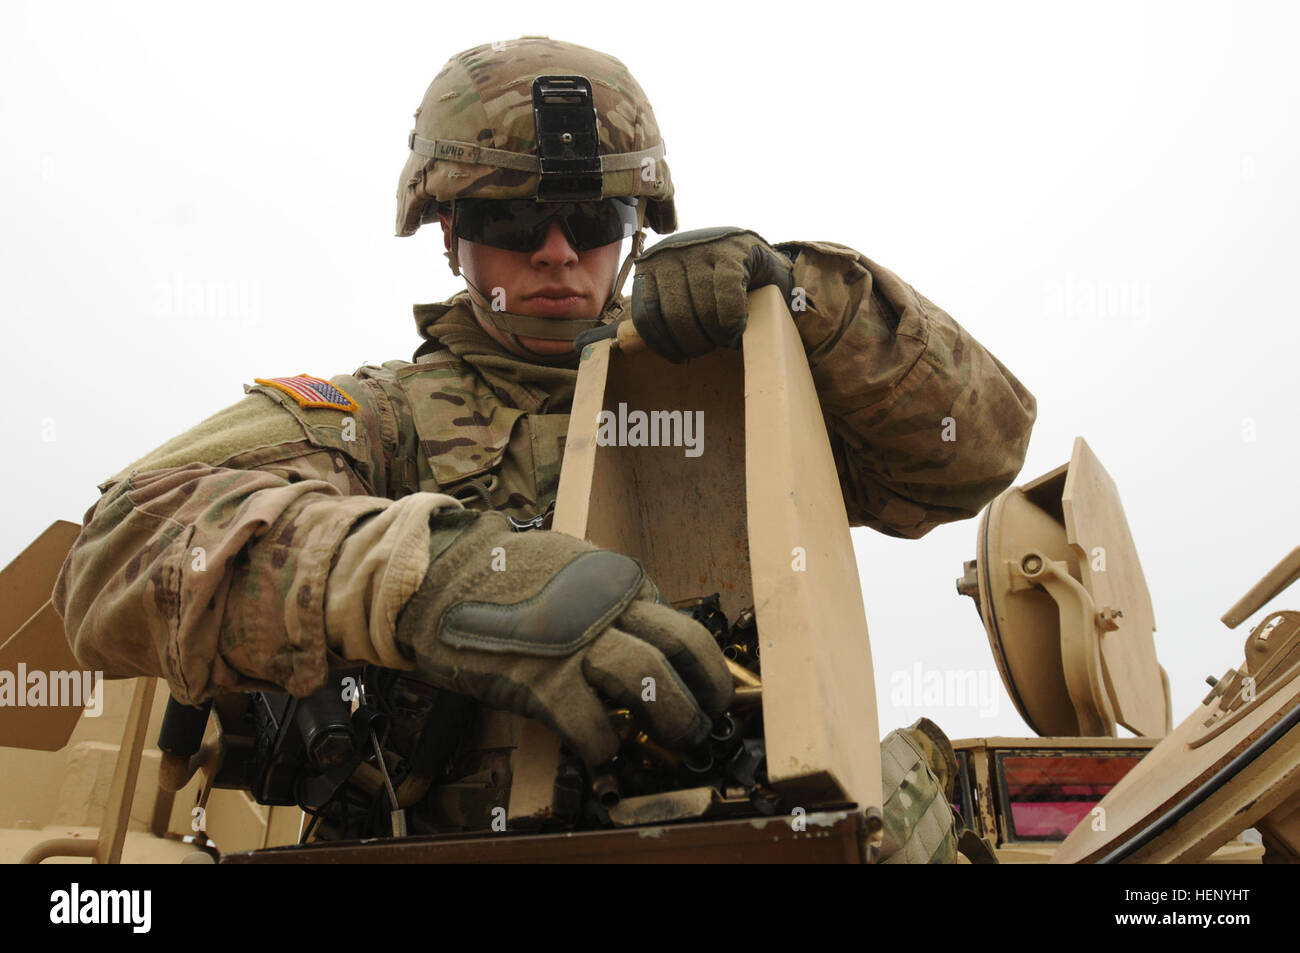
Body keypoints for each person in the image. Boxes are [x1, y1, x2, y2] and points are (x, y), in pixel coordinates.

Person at [52, 37, 1036, 861]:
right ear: (450, 235)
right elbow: (116, 555)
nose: (557, 252)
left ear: (634, 229)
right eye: (514, 219)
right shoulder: (381, 417)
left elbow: (972, 452)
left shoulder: (744, 397)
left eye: (593, 217)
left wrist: (805, 300)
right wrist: (426, 577)